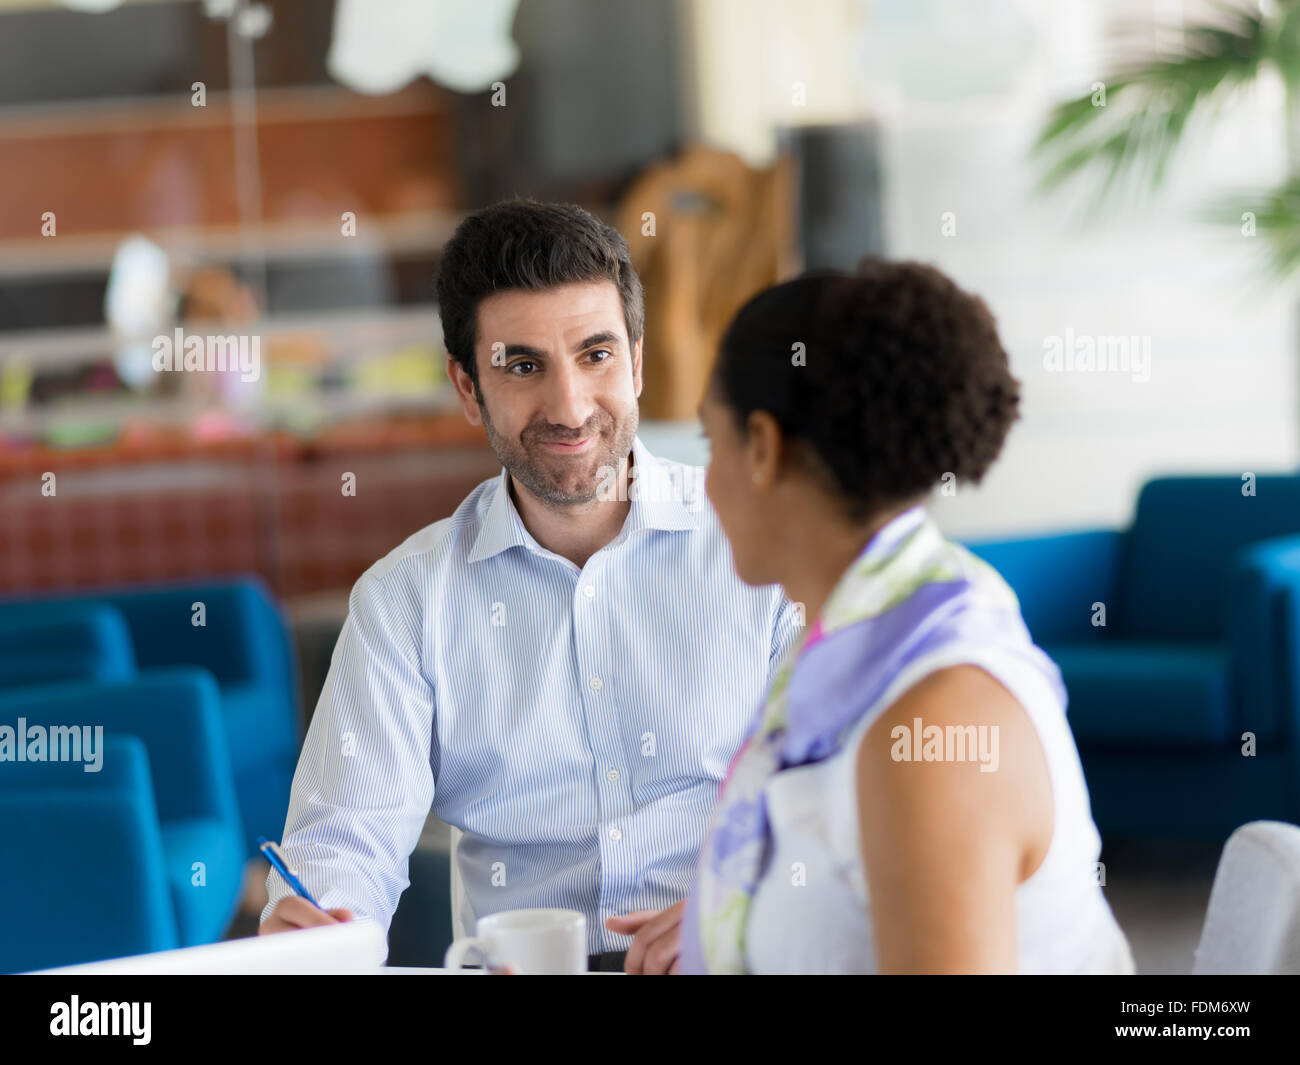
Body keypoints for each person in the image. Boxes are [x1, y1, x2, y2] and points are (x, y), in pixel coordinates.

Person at [258, 199, 802, 972]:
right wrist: (318, 924)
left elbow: (842, 799)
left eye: (596, 354)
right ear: (467, 385)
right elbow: (348, 840)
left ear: (638, 363)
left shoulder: (771, 549)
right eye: (522, 365)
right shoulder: (406, 601)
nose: (570, 406)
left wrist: (743, 907)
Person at [626, 259, 1135, 974]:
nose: (704, 484)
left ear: (764, 448)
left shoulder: (936, 726)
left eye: (713, 444)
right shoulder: (871, 630)